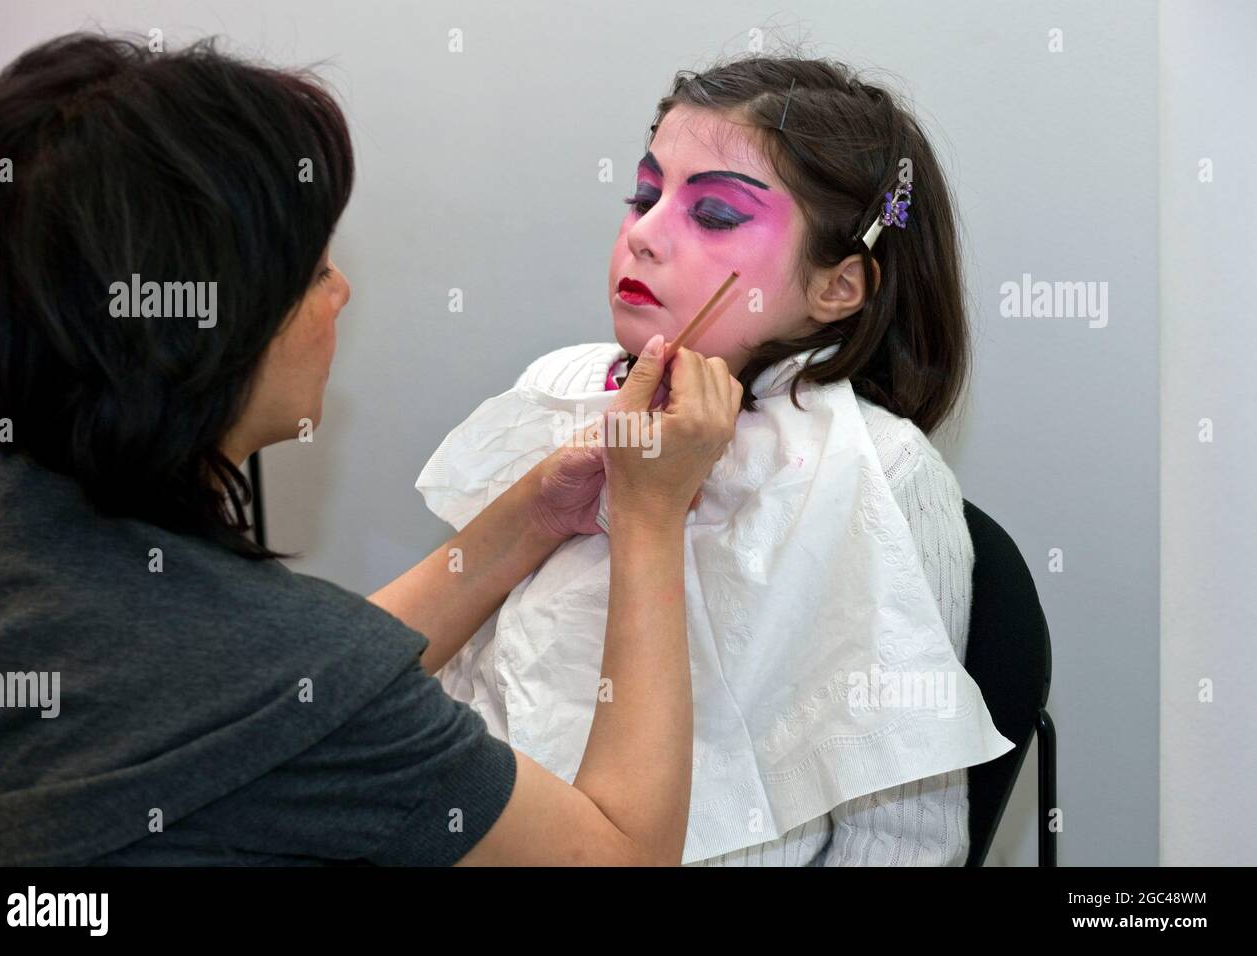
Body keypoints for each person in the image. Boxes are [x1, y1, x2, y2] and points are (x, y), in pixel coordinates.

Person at [0, 33, 741, 866]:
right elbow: (618, 856)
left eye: (719, 212)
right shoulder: (303, 686)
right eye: (313, 269)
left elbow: (283, 689)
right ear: (212, 334)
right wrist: (650, 519)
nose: (343, 291)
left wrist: (535, 515)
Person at [422, 55, 996, 866]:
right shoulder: (560, 391)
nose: (644, 235)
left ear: (839, 287)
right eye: (644, 195)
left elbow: (901, 835)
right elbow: (453, 696)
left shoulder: (879, 472)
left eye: (716, 213)